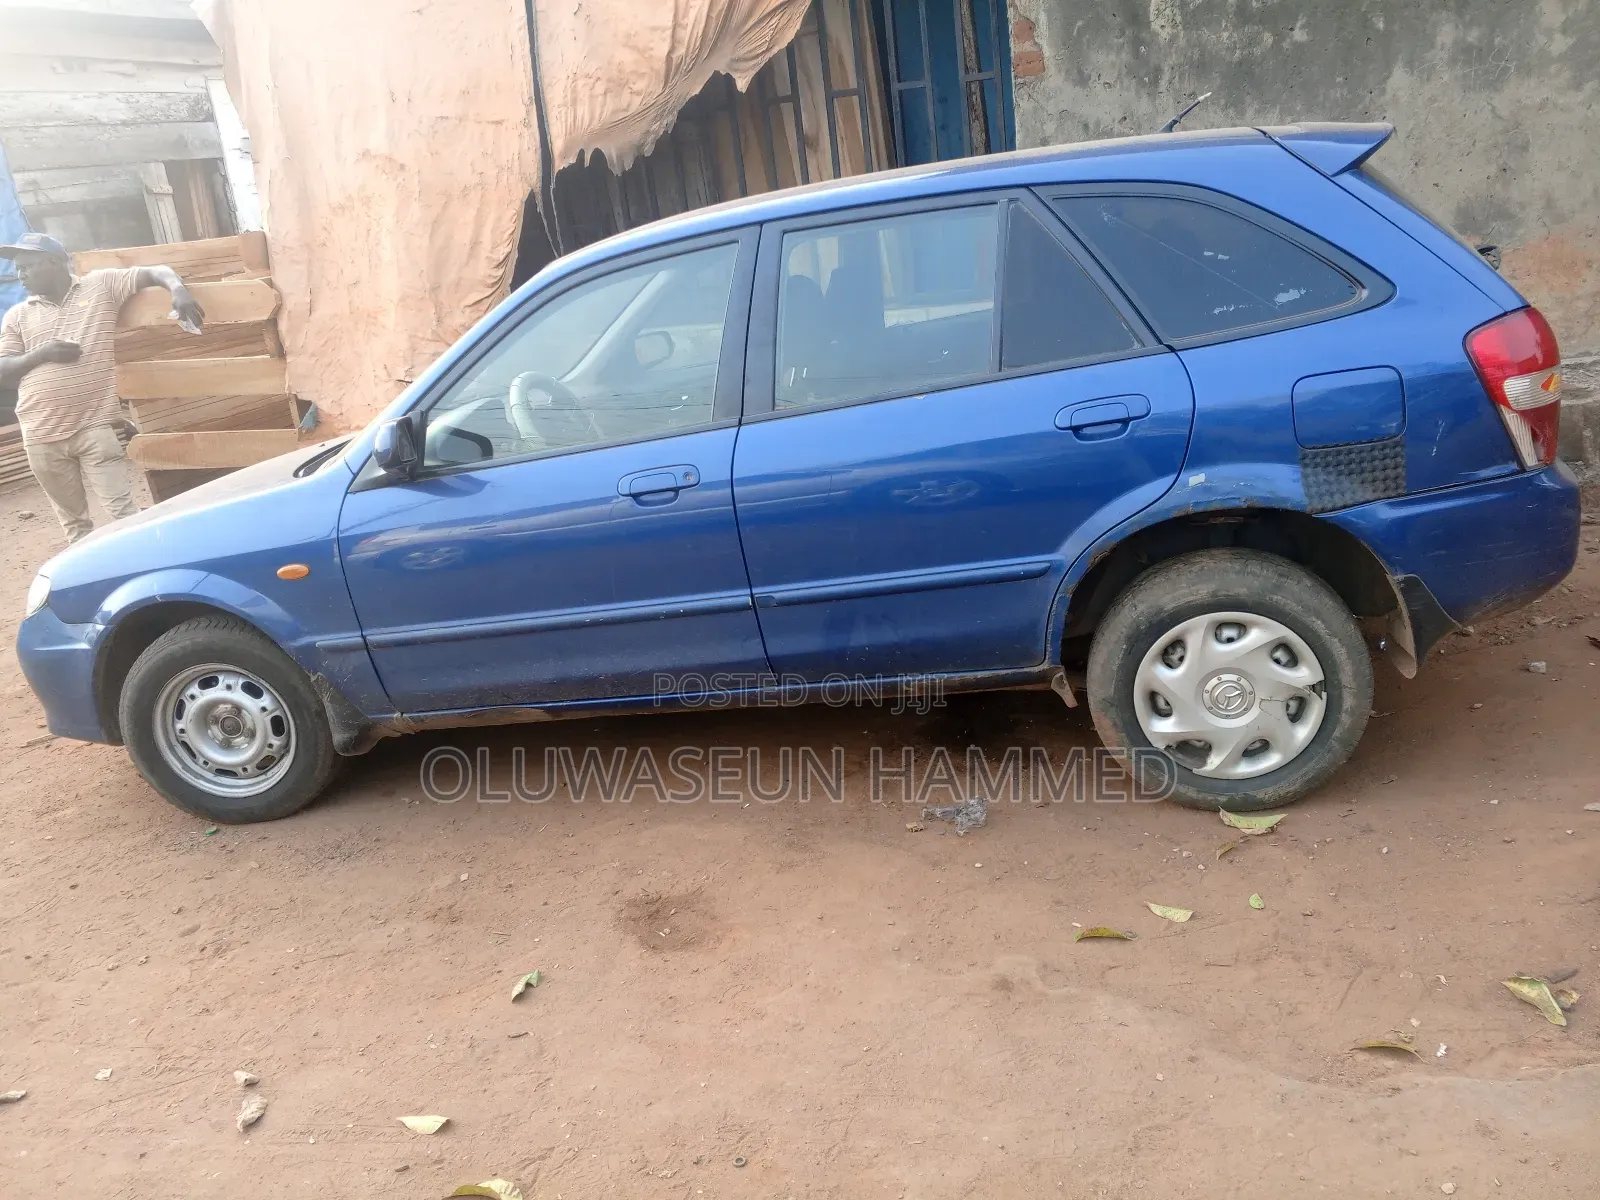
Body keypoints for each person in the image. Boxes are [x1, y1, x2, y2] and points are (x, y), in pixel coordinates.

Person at [0, 232, 205, 542]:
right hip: (40, 434)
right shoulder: (18, 315)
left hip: (94, 427)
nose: (20, 275)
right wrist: (40, 354)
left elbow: (155, 271)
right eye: (17, 268)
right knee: (75, 526)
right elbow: (3, 370)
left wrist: (177, 289)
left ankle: (149, 574)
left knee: (124, 517)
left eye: (28, 265)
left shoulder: (99, 287)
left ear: (54, 262)